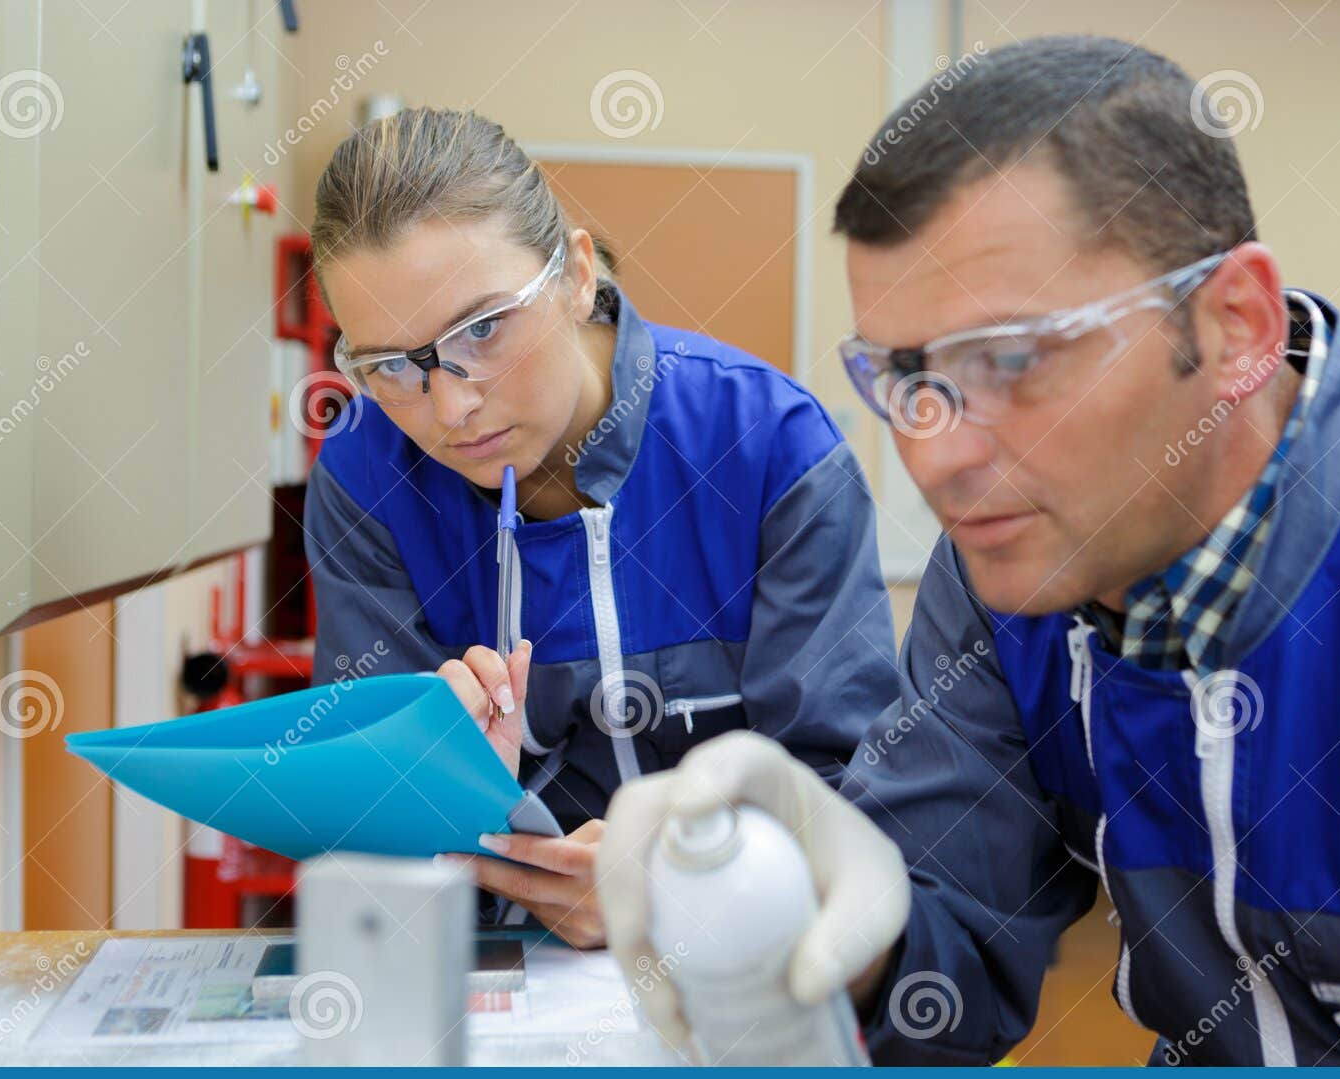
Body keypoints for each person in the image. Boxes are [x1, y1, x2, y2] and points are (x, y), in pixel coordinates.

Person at [597, 36, 1340, 1065]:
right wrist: (824, 931)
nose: (937, 456)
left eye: (1013, 358)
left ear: (1234, 326)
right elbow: (949, 970)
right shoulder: (1008, 575)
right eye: (900, 375)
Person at [304, 108, 898, 947]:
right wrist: (437, 791)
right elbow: (372, 837)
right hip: (492, 981)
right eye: (392, 365)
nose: (452, 404)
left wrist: (674, 888)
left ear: (577, 274)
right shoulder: (364, 480)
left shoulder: (769, 445)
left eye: (483, 328)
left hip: (749, 961)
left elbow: (853, 800)